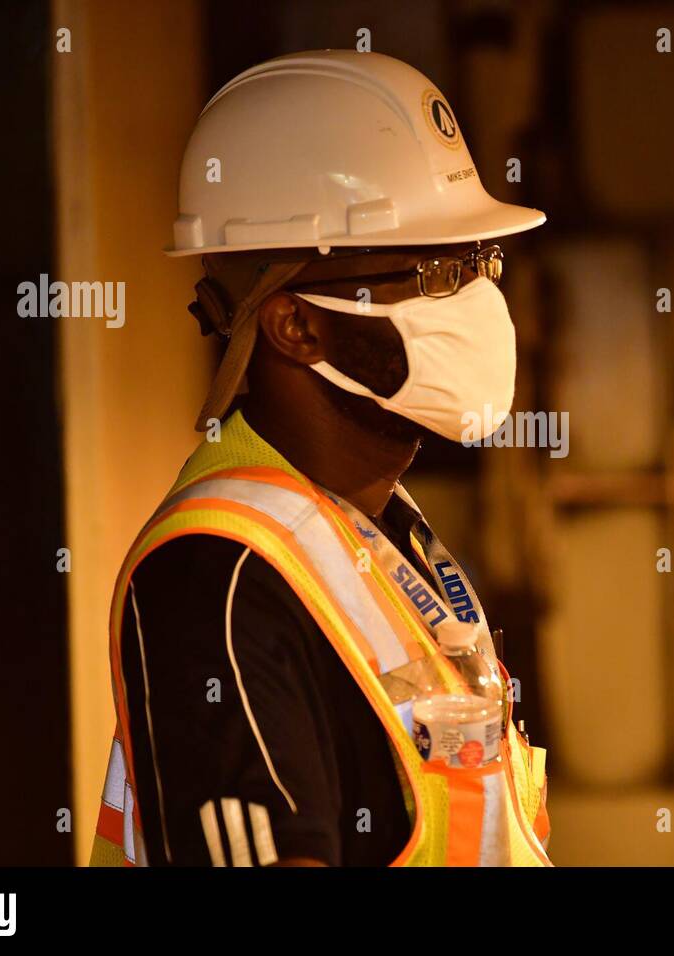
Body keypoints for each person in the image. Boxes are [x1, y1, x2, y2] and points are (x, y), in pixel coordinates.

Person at [89, 51, 551, 867]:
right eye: (436, 273)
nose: (479, 301)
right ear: (295, 326)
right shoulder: (218, 577)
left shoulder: (381, 534)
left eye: (482, 264)